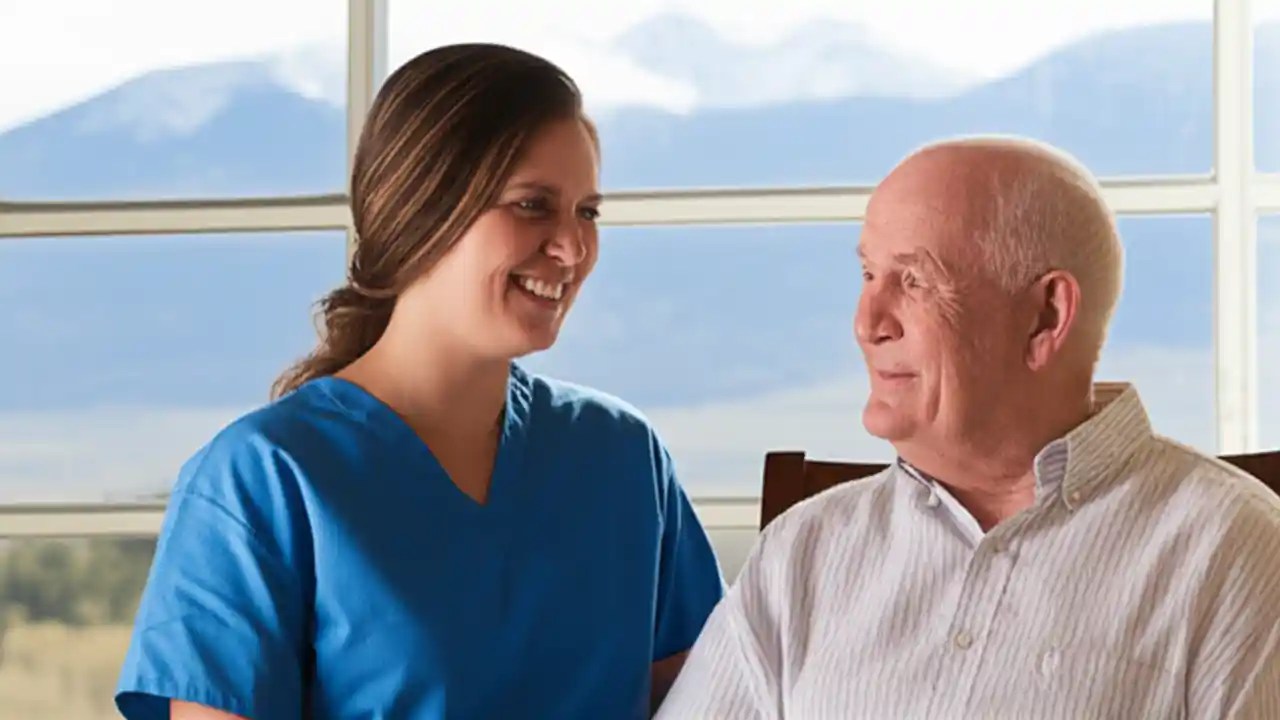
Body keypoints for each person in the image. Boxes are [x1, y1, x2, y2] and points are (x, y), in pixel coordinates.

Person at [115, 43, 723, 720]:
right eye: (533, 205)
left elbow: (719, 699)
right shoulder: (262, 479)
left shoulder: (621, 458)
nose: (571, 248)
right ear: (424, 207)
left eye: (587, 212)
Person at [657, 136, 1280, 718]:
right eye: (869, 275)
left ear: (1046, 316)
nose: (867, 321)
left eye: (916, 281)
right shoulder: (801, 552)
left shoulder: (1241, 555)